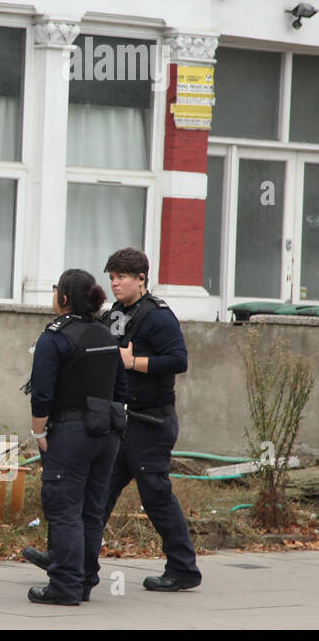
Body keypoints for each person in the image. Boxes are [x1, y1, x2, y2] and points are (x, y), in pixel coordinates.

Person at [24, 269, 128, 605]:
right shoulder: (105, 335)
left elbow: (41, 393)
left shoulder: (54, 337)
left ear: (65, 298)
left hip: (70, 433)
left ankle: (65, 585)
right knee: (91, 510)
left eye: (56, 290)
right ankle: (83, 580)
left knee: (64, 509)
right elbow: (121, 388)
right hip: (107, 432)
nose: (54, 295)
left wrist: (38, 432)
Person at [101, 248, 200, 591]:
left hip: (151, 422)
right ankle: (71, 559)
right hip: (123, 420)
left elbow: (178, 361)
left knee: (156, 496)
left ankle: (184, 568)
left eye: (122, 277)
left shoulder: (158, 317)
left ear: (141, 278)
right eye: (111, 277)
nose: (115, 283)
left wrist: (134, 363)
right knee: (98, 492)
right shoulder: (116, 313)